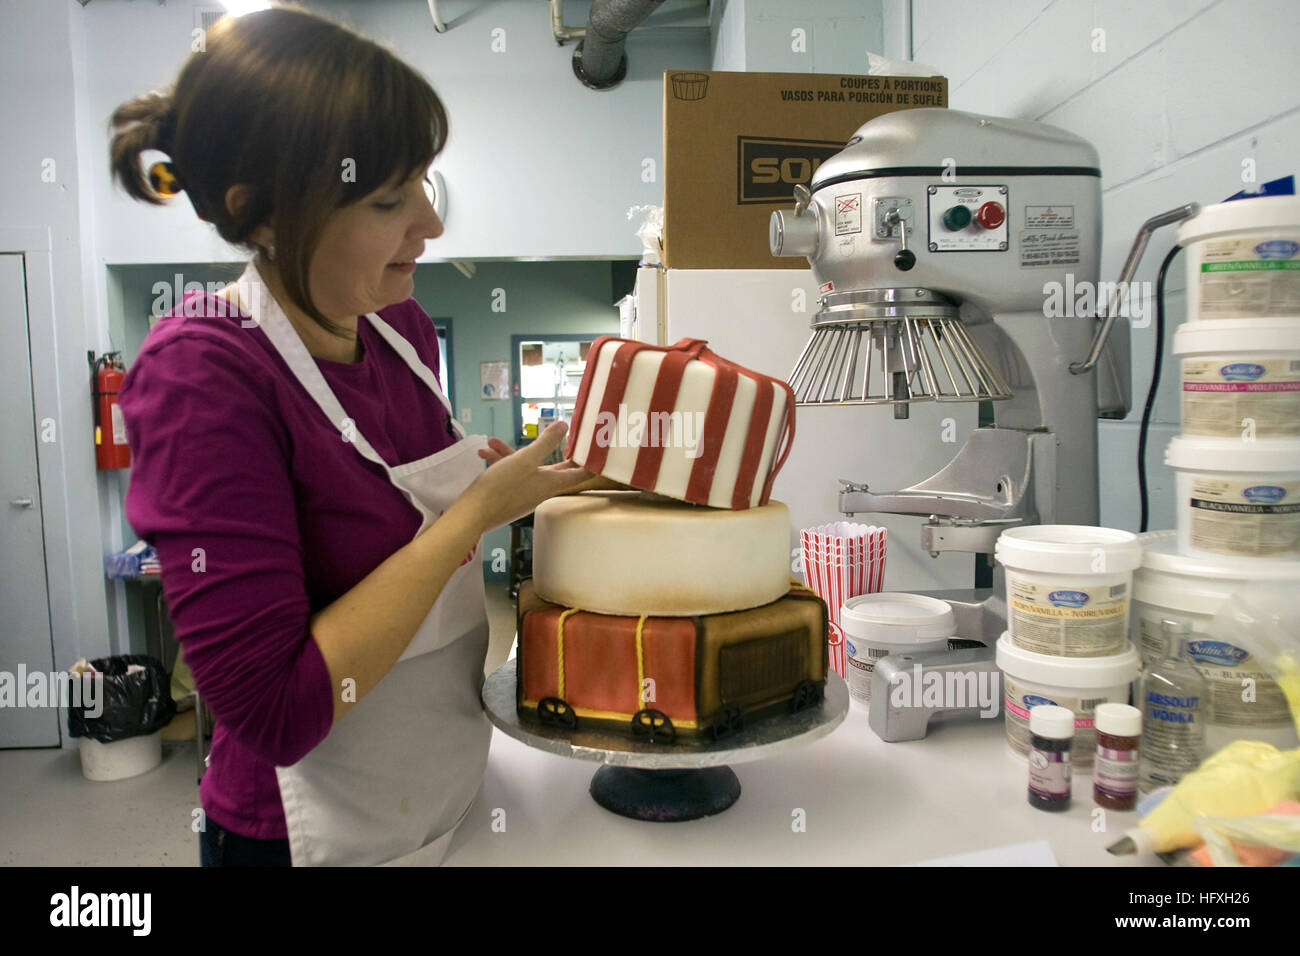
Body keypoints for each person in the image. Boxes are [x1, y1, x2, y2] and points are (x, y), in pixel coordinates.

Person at [110, 6, 593, 866]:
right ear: (259, 213)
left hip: (447, 796)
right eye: (385, 200)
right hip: (308, 837)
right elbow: (277, 712)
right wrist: (471, 515)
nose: (431, 225)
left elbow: (384, 522)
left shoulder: (399, 328)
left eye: (423, 184)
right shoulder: (204, 375)